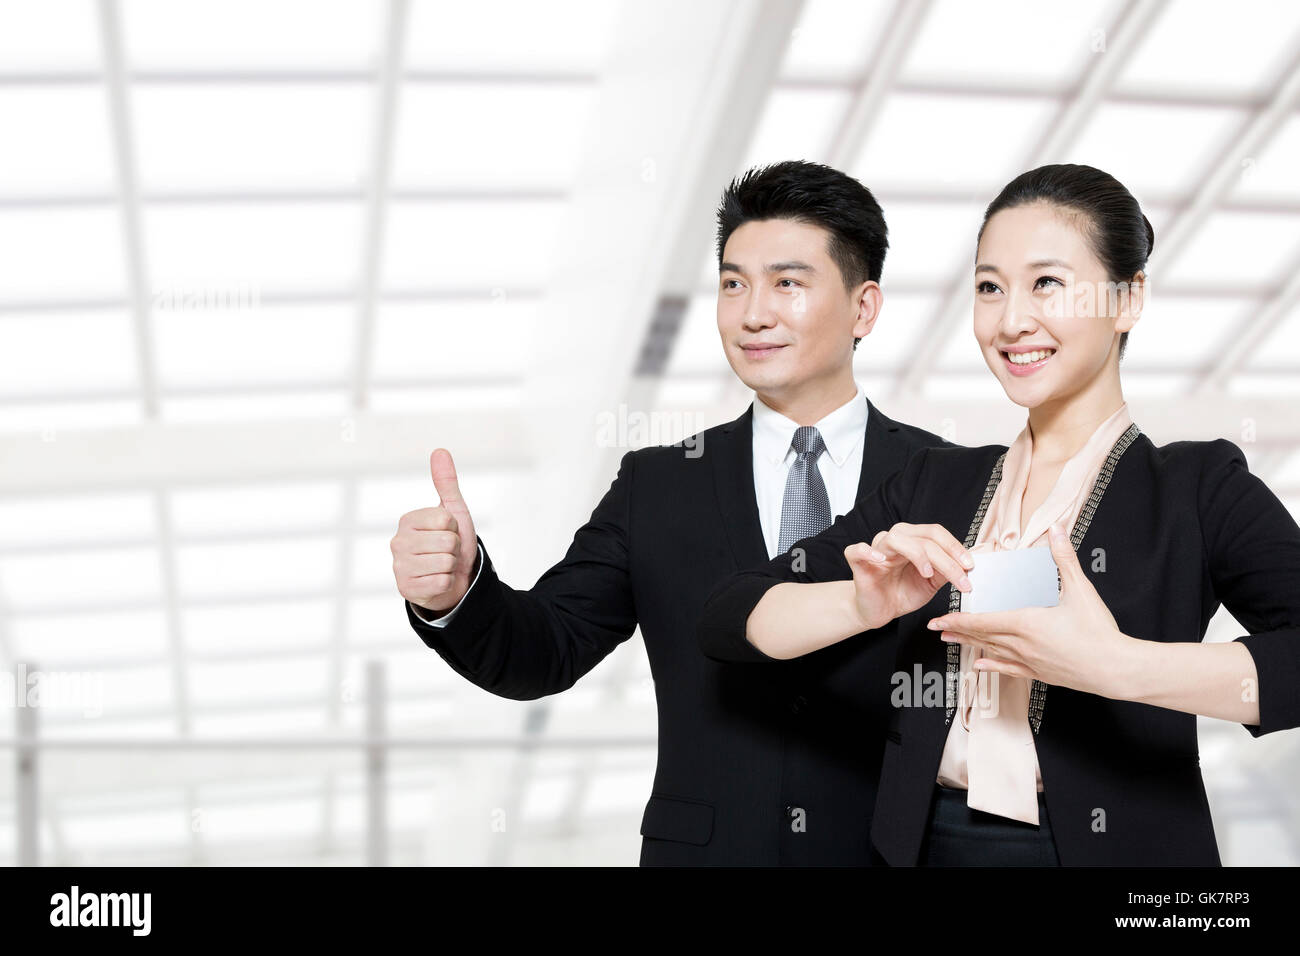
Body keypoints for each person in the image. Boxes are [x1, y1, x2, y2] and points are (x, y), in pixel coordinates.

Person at [698, 163, 1300, 866]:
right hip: (922, 847)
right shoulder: (935, 483)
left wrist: (1121, 666)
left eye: (1047, 283)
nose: (1012, 321)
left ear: (1128, 298)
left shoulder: (1197, 488)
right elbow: (730, 615)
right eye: (990, 288)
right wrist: (858, 605)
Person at [390, 160, 954, 865]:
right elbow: (544, 649)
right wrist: (458, 593)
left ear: (863, 308)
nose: (752, 314)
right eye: (733, 284)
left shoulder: (948, 482)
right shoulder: (657, 484)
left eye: (787, 283)